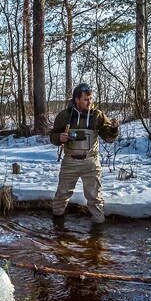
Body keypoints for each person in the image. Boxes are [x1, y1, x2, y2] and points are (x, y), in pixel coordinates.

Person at [48, 82, 120, 224]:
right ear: (77, 99)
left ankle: (98, 236)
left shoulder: (98, 116)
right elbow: (53, 136)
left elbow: (109, 138)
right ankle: (57, 229)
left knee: (95, 198)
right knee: (61, 196)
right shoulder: (64, 116)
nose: (90, 102)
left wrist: (113, 129)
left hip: (91, 163)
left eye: (91, 98)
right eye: (86, 99)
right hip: (70, 162)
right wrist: (59, 138)